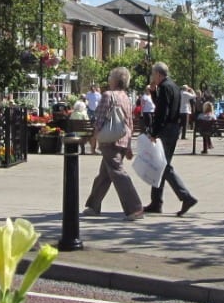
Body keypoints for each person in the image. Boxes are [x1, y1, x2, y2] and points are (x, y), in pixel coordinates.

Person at [83, 66, 146, 220]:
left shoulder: (107, 95)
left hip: (109, 139)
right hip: (122, 139)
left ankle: (135, 208)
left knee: (117, 172)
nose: (109, 79)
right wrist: (128, 145)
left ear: (115, 80)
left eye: (110, 77)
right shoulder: (126, 97)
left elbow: (99, 119)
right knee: (104, 174)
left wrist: (94, 138)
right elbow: (130, 123)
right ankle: (93, 205)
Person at [144, 62, 198, 216]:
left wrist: (154, 132)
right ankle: (156, 202)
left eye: (153, 74)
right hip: (173, 128)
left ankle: (186, 197)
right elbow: (163, 105)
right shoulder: (173, 86)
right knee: (159, 165)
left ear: (158, 74)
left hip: (166, 130)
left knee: (163, 165)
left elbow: (162, 112)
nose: (152, 77)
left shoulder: (164, 87)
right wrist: (153, 93)